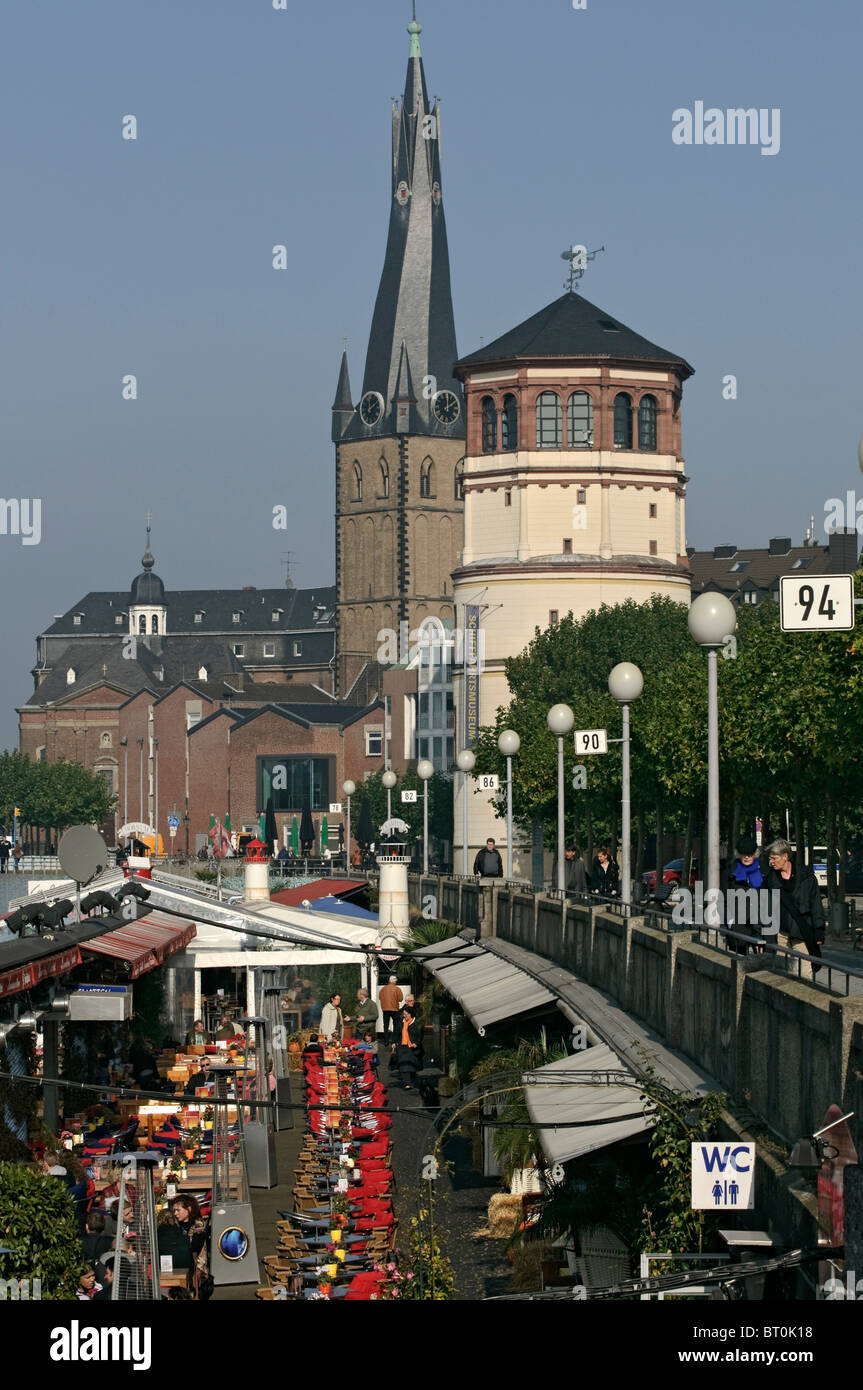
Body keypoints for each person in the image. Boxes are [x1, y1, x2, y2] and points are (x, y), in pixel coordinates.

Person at [765, 838, 825, 981]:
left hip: (801, 931)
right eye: (770, 858)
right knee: (780, 975)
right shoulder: (769, 879)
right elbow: (763, 908)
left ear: (785, 856)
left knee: (805, 973)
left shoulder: (807, 877)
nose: (771, 862)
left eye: (774, 858)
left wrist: (819, 930)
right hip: (780, 933)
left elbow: (816, 904)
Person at [722, 834, 767, 952]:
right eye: (743, 854)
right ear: (738, 854)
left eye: (750, 854)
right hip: (739, 926)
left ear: (755, 854)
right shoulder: (730, 873)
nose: (746, 857)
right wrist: (730, 922)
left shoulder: (764, 870)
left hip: (762, 925)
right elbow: (723, 901)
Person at [392, 1006, 423, 1089]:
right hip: (402, 1046)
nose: (404, 1016)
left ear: (411, 1014)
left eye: (406, 1014)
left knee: (410, 1066)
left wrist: (416, 1044)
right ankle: (407, 1083)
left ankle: (411, 1080)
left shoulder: (416, 1024)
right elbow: (396, 1033)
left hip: (412, 1048)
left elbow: (419, 1036)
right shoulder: (401, 1023)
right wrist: (394, 1042)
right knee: (403, 1065)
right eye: (404, 1014)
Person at [378, 976, 403, 1045]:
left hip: (385, 1009)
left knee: (386, 1025)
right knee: (396, 1024)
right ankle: (394, 1040)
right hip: (394, 1009)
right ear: (394, 981)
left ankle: (386, 1041)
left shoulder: (383, 989)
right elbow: (401, 999)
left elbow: (380, 997)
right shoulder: (397, 989)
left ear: (389, 981)